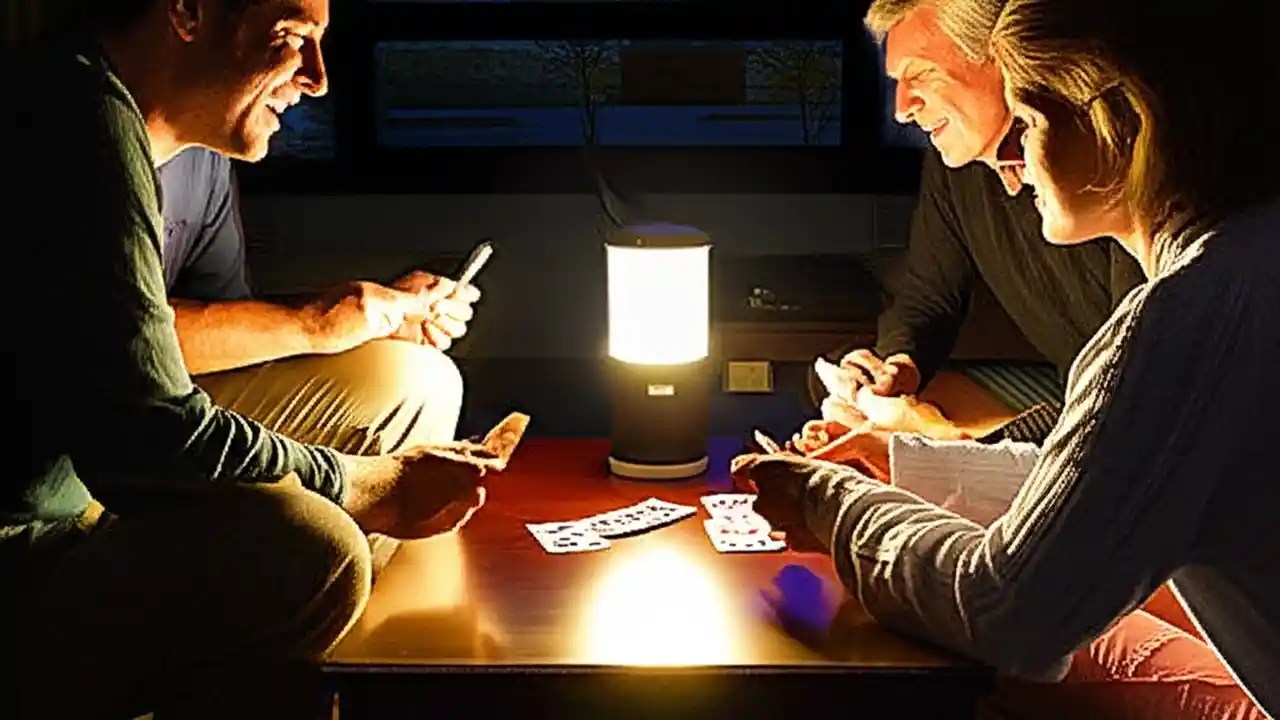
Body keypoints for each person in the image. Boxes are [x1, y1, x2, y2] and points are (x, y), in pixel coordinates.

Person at [734, 1, 1279, 719]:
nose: (1012, 161)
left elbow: (1010, 610)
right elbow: (1109, 467)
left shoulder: (1186, 317)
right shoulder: (1247, 258)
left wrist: (827, 502)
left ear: (1123, 120)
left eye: (1027, 117)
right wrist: (904, 463)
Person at [3, 0, 515, 717]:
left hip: (103, 467)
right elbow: (150, 433)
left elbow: (200, 358)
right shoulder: (76, 120)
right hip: (31, 543)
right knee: (317, 549)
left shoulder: (190, 152)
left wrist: (359, 320)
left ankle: (314, 625)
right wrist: (369, 483)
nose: (319, 79)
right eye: (294, 37)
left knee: (416, 378)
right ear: (187, 12)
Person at [809, 0, 1144, 418]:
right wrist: (896, 368)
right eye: (897, 82)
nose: (902, 108)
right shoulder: (959, 168)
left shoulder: (1112, 164)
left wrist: (940, 439)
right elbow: (928, 298)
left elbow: (1140, 384)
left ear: (1004, 54)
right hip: (1085, 400)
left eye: (922, 76)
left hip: (1128, 411)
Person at [158, 147, 473, 455]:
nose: (315, 90)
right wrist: (313, 324)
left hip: (175, 389)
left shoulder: (203, 159)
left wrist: (361, 321)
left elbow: (221, 317)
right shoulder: (115, 151)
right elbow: (119, 342)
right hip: (123, 412)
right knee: (414, 378)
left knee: (415, 373)